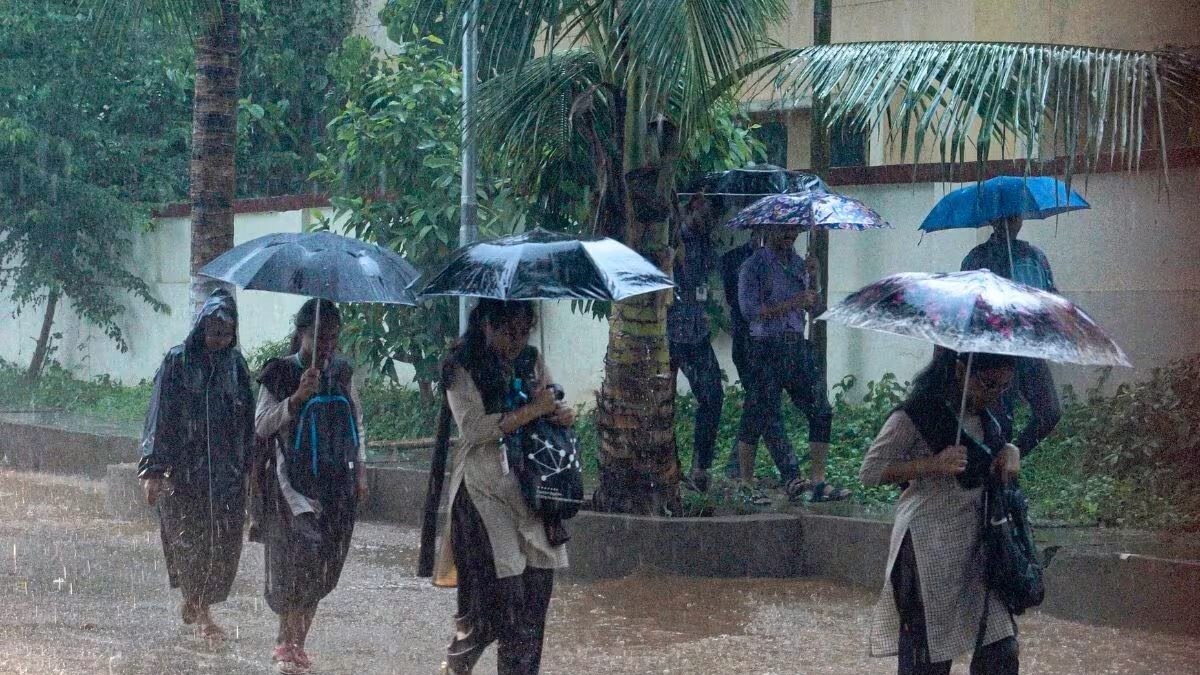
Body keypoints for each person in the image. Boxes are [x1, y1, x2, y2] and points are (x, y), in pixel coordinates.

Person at [432, 300, 575, 675]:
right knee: (497, 604)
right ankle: (456, 666)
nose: (517, 339)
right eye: (509, 330)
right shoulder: (459, 367)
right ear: (486, 325)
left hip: (533, 491)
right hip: (484, 492)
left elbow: (554, 403)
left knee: (534, 602)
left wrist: (561, 412)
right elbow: (475, 428)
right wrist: (533, 411)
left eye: (524, 330)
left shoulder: (531, 360)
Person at [860, 348, 1023, 675]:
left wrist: (1011, 454)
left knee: (1001, 650)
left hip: (979, 546)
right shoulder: (917, 414)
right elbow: (871, 471)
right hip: (927, 548)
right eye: (988, 384)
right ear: (961, 370)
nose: (994, 395)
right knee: (928, 654)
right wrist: (932, 465)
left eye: (1003, 387)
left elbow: (993, 463)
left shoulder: (993, 418)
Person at [254, 299, 368, 675]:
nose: (326, 346)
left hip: (337, 484)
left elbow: (357, 421)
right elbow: (262, 425)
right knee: (296, 562)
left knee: (324, 565)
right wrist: (297, 398)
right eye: (319, 337)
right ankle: (284, 640)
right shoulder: (280, 373)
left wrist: (361, 472)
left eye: (333, 338)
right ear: (301, 332)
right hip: (293, 487)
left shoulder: (342, 372)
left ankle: (300, 643)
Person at [138, 288, 255, 639]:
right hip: (183, 473)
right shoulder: (178, 361)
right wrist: (153, 469)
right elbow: (159, 416)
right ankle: (202, 611)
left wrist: (250, 467)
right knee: (189, 543)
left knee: (223, 544)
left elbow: (247, 422)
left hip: (226, 475)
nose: (218, 339)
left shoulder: (236, 367)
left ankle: (198, 600)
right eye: (213, 331)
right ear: (201, 327)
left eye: (225, 333)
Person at [735, 225, 849, 501]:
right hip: (765, 347)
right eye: (784, 229)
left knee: (821, 410)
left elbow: (813, 307)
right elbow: (749, 311)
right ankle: (746, 483)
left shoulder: (799, 264)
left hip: (796, 345)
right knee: (758, 413)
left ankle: (818, 481)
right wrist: (793, 302)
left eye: (795, 229)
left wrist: (815, 277)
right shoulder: (754, 266)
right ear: (768, 228)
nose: (791, 234)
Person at [961, 216, 1063, 456]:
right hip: (993, 354)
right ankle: (996, 475)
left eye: (1015, 216)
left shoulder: (1034, 256)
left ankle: (1012, 456)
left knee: (1049, 412)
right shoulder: (978, 258)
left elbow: (1050, 296)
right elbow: (966, 303)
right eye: (1004, 218)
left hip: (1028, 350)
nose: (1010, 223)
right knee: (998, 423)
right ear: (993, 220)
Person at [719, 236, 792, 484]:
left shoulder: (790, 261)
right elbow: (743, 308)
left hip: (776, 344)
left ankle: (736, 467)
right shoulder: (738, 261)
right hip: (749, 343)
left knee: (761, 406)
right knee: (764, 406)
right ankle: (789, 472)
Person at [668, 193, 725, 493]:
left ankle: (700, 466)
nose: (708, 223)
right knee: (662, 403)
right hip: (666, 331)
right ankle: (668, 466)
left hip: (695, 331)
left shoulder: (703, 243)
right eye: (705, 216)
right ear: (693, 205)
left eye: (712, 220)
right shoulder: (669, 233)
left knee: (713, 396)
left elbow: (705, 281)